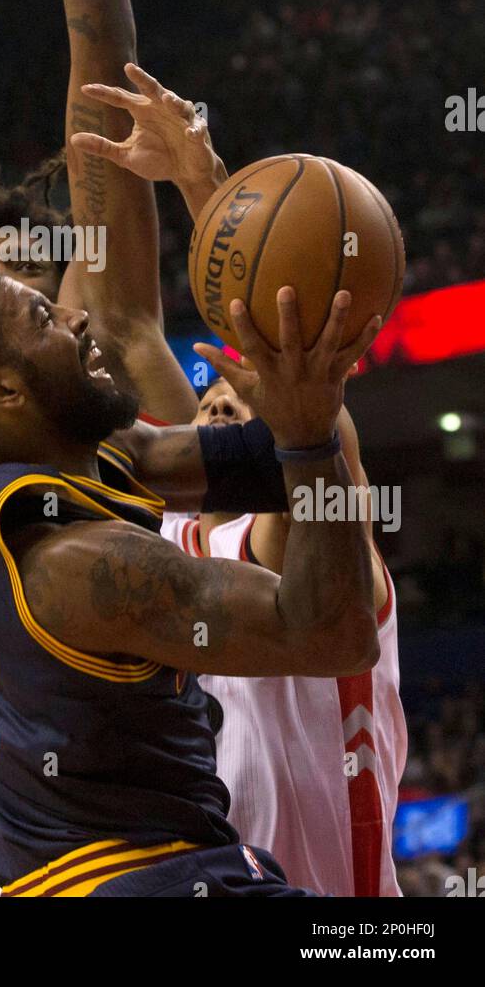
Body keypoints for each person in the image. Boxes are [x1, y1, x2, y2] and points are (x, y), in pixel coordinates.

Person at [0, 264, 379, 896]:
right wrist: (311, 438)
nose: (75, 316)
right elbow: (333, 638)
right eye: (45, 320)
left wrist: (303, 395)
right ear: (3, 390)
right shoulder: (77, 564)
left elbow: (244, 462)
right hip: (141, 878)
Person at [162, 376, 407, 897]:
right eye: (204, 405)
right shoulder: (158, 543)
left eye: (243, 399)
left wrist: (296, 382)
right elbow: (129, 337)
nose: (220, 403)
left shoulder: (321, 541)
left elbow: (330, 478)